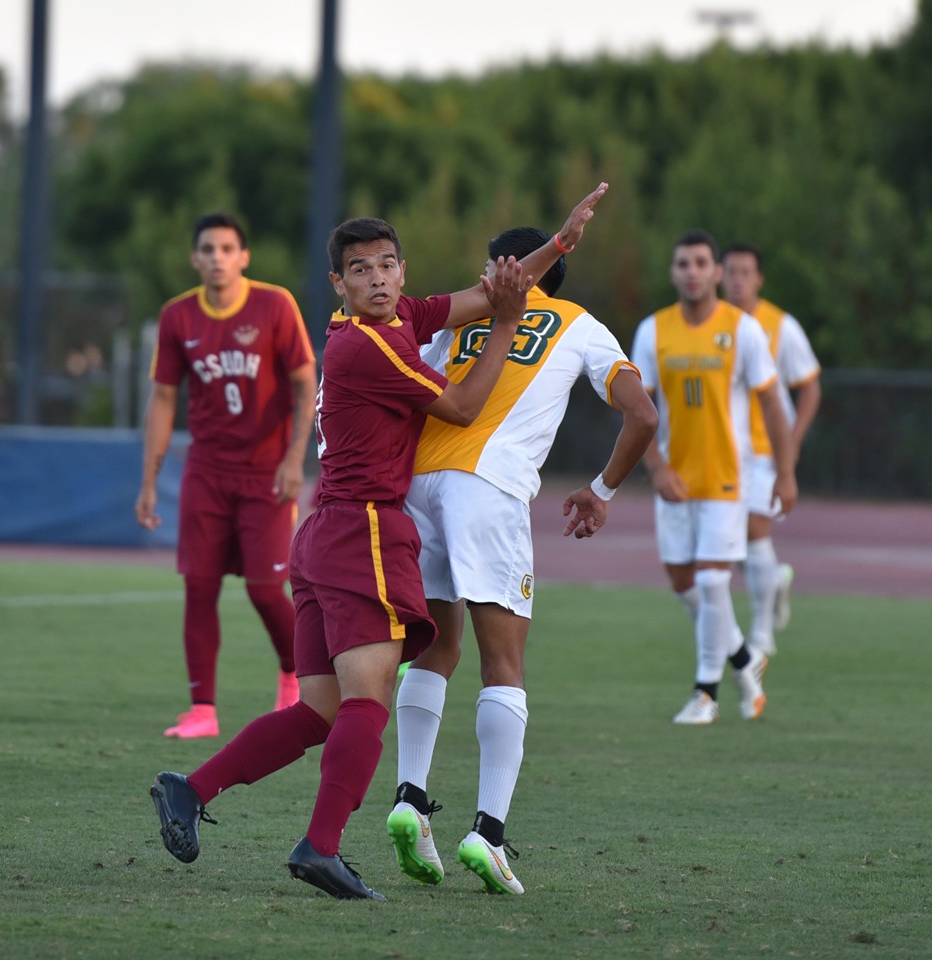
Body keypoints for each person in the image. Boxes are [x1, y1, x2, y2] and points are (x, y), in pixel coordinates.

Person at [151, 184, 607, 901]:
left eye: (387, 264)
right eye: (360, 269)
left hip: (325, 536)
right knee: (367, 703)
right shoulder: (365, 346)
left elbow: (480, 298)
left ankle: (191, 787)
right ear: (339, 284)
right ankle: (321, 848)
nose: (378, 278)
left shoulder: (401, 319)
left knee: (317, 711)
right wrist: (506, 323)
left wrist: (556, 246)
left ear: (401, 269)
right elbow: (459, 406)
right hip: (362, 530)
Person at [387, 227, 658, 896]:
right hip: (489, 487)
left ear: (493, 274)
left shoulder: (460, 321)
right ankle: (489, 833)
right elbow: (644, 416)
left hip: (418, 481)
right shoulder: (580, 325)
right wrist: (600, 491)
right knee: (502, 664)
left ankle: (410, 798)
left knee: (435, 650)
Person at [135, 213, 318, 739]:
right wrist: (149, 480)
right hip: (207, 472)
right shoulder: (178, 317)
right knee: (199, 587)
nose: (216, 257)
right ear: (195, 258)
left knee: (266, 590)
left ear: (244, 257)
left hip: (266, 471)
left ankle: (294, 676)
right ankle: (202, 710)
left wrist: (293, 460)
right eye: (207, 249)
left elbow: (307, 385)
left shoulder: (274, 305)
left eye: (226, 248)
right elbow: (164, 400)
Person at [631, 232, 797, 726]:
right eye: (683, 263)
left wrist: (785, 473)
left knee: (710, 581)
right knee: (687, 587)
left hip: (729, 481)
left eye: (701, 262)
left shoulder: (742, 329)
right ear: (673, 272)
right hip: (675, 484)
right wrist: (657, 469)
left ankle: (706, 693)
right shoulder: (653, 330)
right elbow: (636, 407)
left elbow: (773, 405)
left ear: (716, 272)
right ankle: (745, 659)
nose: (692, 271)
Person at [719, 244, 822, 655]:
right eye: (731, 271)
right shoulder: (711, 324)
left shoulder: (781, 326)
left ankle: (762, 633)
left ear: (759, 278)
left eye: (746, 271)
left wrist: (790, 447)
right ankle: (774, 577)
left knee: (754, 528)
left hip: (764, 451)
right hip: (724, 452)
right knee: (730, 538)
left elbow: (810, 385)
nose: (737, 279)